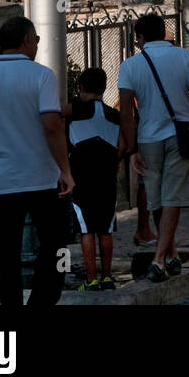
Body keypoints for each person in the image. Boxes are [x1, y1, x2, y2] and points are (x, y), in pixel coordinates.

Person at [0, 16, 75, 305]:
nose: (37, 45)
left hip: (1, 182)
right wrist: (66, 170)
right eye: (36, 40)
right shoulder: (41, 75)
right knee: (53, 246)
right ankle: (41, 302)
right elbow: (51, 126)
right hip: (41, 179)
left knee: (6, 253)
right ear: (27, 40)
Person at [118, 13, 189, 283]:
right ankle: (169, 253)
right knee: (171, 197)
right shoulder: (184, 57)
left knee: (156, 199)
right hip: (181, 134)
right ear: (163, 32)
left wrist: (131, 150)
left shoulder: (130, 66)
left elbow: (126, 111)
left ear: (139, 38)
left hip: (147, 138)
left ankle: (159, 258)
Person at [64, 67, 123, 291]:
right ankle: (107, 277)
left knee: (86, 229)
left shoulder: (75, 109)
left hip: (81, 175)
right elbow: (124, 144)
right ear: (104, 88)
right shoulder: (114, 115)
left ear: (80, 88)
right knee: (106, 228)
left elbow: (52, 115)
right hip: (107, 175)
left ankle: (91, 280)